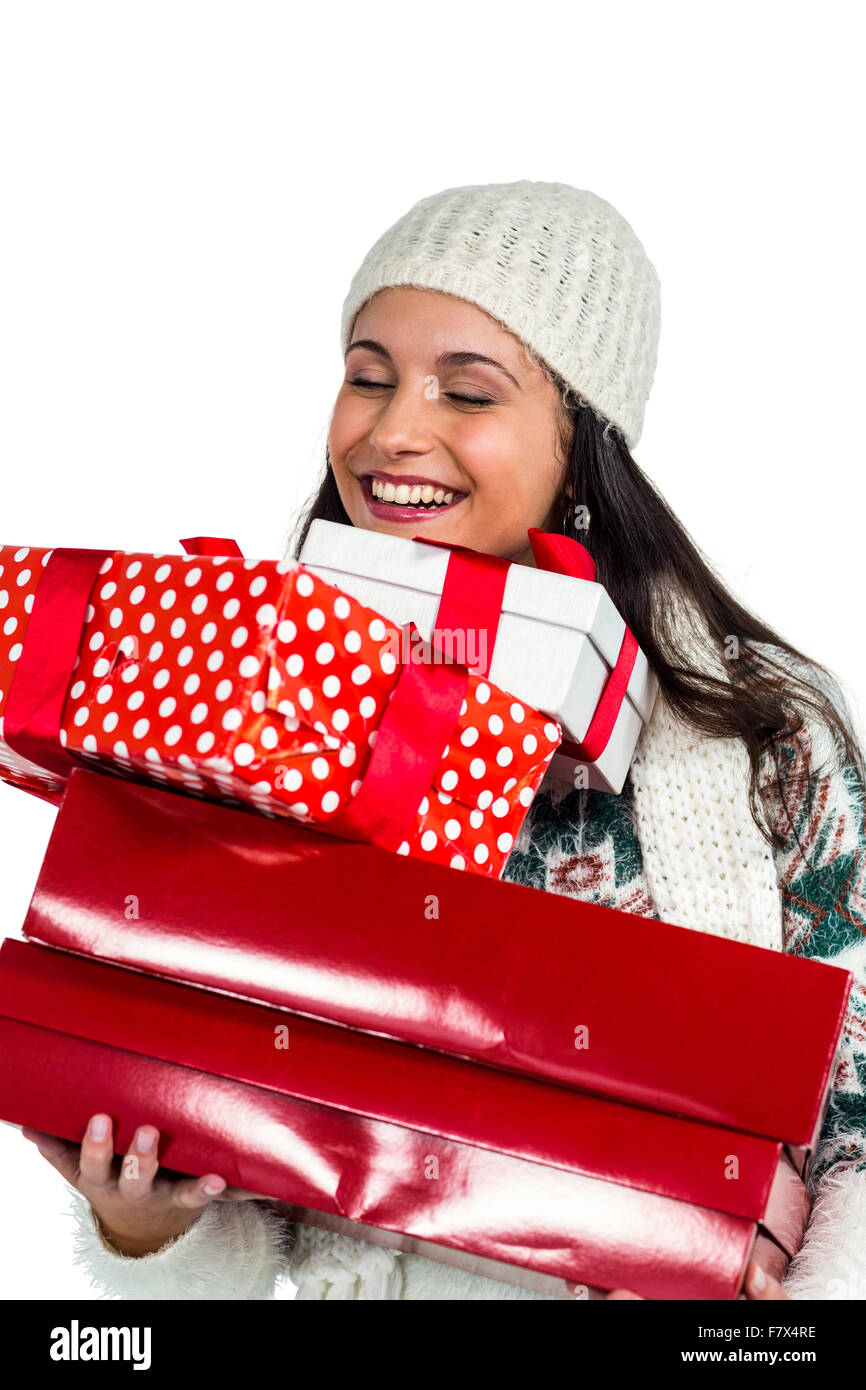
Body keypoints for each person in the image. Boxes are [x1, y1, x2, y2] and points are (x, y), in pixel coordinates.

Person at [21, 180, 866, 1300]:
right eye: (366, 376)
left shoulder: (764, 731)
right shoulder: (265, 704)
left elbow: (851, 1129)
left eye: (465, 391)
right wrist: (145, 1225)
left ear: (585, 444)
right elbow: (254, 1178)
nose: (389, 430)